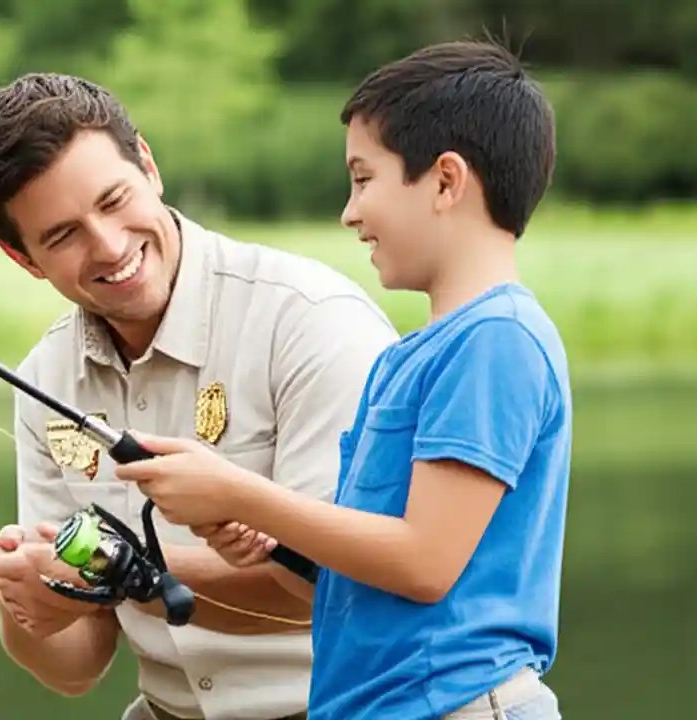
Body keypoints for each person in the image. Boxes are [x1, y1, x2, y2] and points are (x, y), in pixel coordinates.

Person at [114, 40, 569, 720]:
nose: (349, 212)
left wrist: (241, 490)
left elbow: (425, 563)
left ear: (446, 182)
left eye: (363, 179)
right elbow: (354, 586)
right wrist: (264, 540)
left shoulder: (496, 339)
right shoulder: (404, 359)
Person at [0, 73, 399, 720]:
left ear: (149, 164)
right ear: (22, 257)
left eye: (114, 200)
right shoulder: (45, 377)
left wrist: (128, 578)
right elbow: (75, 667)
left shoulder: (310, 319)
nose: (110, 246)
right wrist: (24, 599)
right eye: (62, 235)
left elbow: (344, 588)